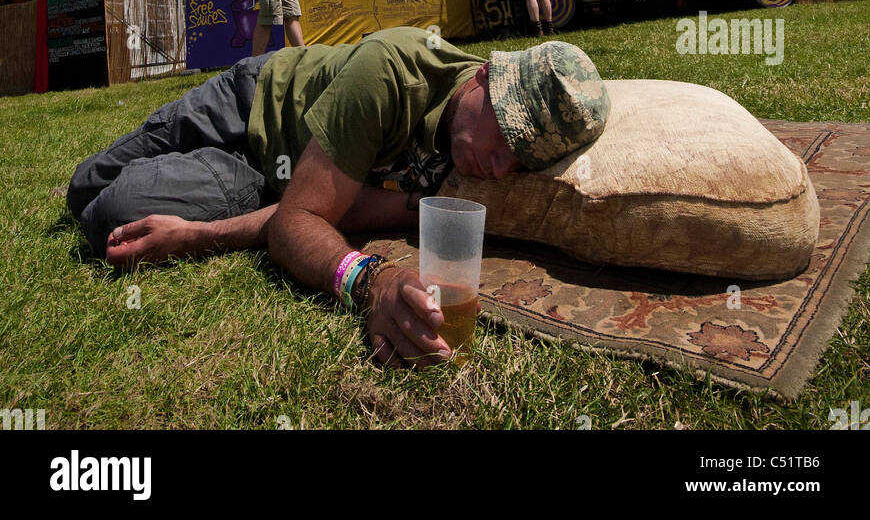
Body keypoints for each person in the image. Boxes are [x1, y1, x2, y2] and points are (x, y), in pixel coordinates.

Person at [66, 27, 609, 369]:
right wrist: (373, 280)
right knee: (85, 187)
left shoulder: (469, 165)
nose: (498, 168)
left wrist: (202, 232)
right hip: (252, 99)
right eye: (507, 136)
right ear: (485, 76)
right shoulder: (394, 69)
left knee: (113, 215)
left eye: (521, 162)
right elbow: (299, 219)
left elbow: (327, 211)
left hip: (262, 173)